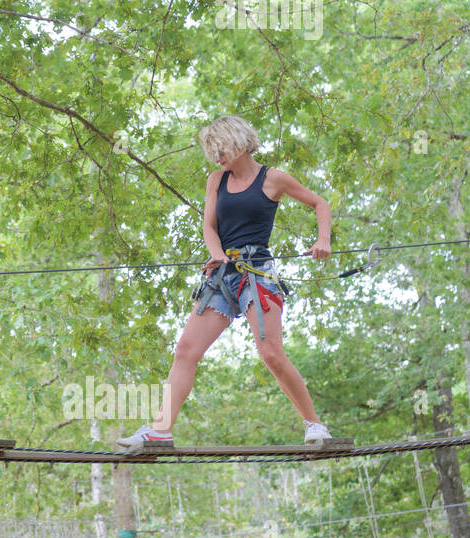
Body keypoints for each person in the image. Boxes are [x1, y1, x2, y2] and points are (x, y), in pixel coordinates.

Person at [117, 115, 333, 448]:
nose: (217, 158)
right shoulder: (216, 180)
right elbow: (209, 226)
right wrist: (216, 254)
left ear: (238, 142)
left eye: (220, 150)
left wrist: (323, 241)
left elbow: (320, 203)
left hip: (258, 274)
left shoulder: (273, 179)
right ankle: (161, 429)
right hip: (223, 276)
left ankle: (315, 425)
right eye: (213, 153)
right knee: (185, 350)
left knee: (271, 353)